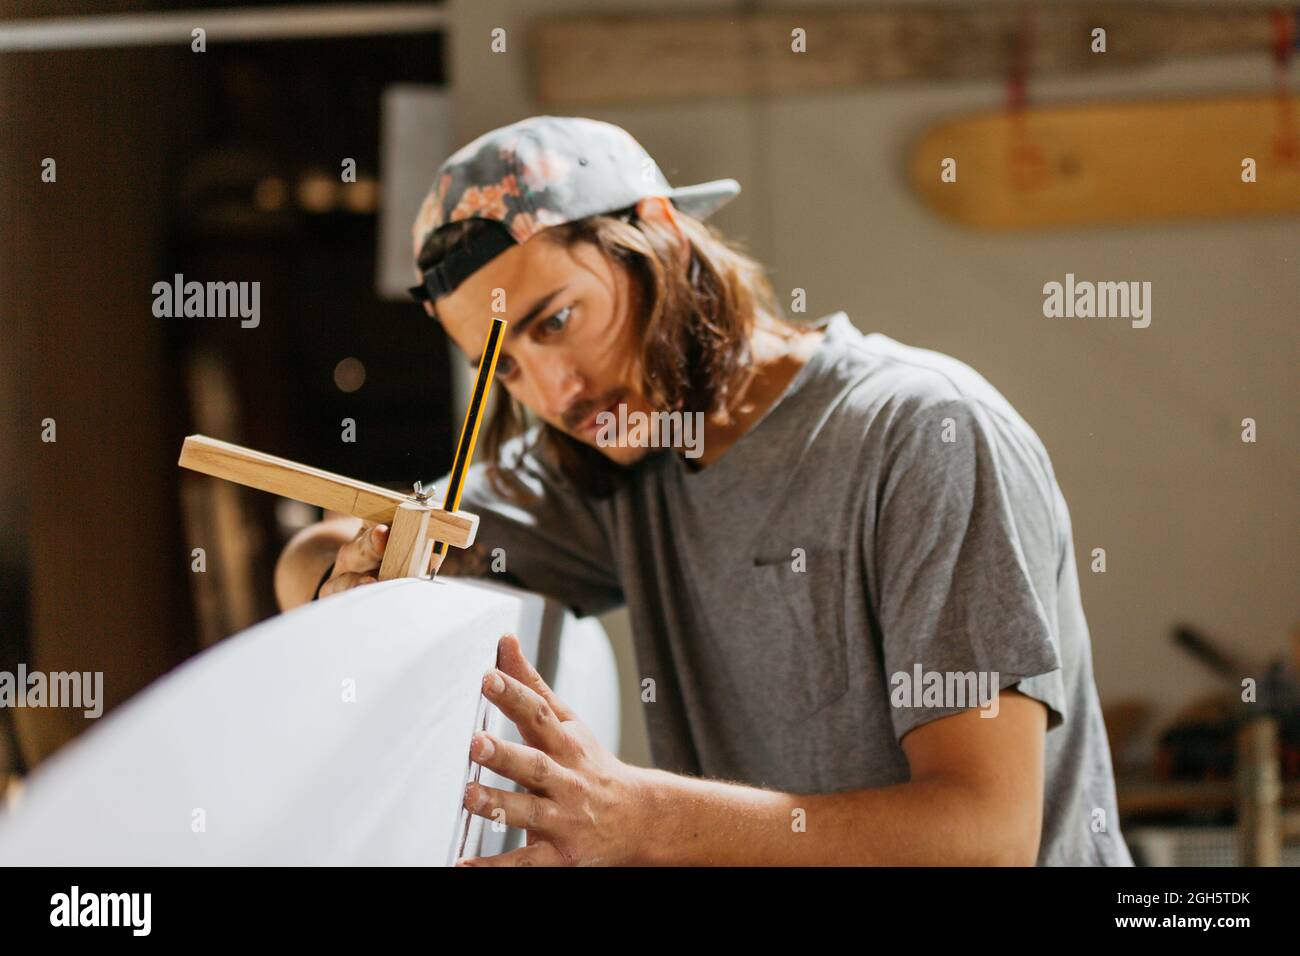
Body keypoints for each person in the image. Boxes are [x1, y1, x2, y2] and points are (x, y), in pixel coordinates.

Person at [274, 116, 1133, 866]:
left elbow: (984, 838)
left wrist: (636, 817)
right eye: (506, 368)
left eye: (558, 321)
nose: (555, 393)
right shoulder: (616, 465)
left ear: (661, 235)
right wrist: (342, 583)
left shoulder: (924, 435)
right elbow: (332, 543)